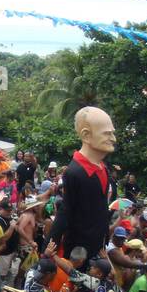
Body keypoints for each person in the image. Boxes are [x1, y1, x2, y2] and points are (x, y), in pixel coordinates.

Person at [46, 107, 116, 261]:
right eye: (107, 134)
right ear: (86, 135)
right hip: (79, 251)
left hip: (98, 248)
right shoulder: (75, 172)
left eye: (112, 133)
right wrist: (50, 246)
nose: (113, 139)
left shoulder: (102, 168)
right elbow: (66, 211)